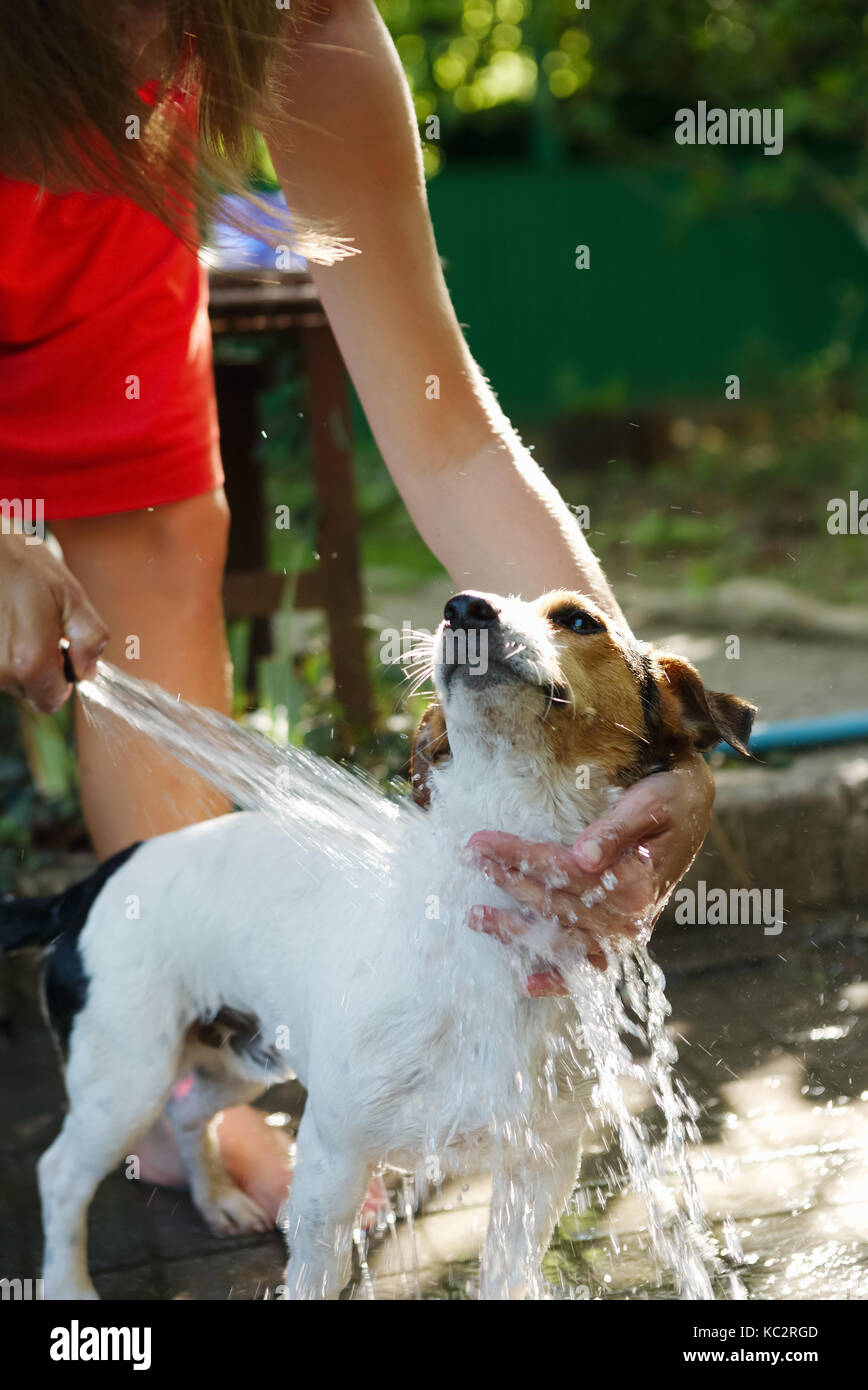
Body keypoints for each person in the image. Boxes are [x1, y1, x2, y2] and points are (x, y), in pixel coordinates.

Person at [0, 1, 713, 1218]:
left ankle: (184, 1103)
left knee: (159, 651)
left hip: (101, 322)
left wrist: (650, 730)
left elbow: (448, 440)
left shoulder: (298, 19)